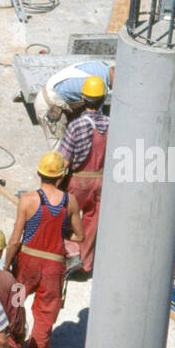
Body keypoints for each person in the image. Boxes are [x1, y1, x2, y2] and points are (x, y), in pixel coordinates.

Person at [4, 152, 83, 348]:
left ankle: (15, 344)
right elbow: (81, 235)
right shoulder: (70, 201)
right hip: (53, 268)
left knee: (16, 302)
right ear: (61, 176)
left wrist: (8, 265)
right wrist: (61, 233)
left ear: (39, 173)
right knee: (45, 318)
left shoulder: (27, 200)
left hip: (26, 264)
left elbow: (15, 240)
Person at [59, 73, 109, 277]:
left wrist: (53, 187)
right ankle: (86, 264)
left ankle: (72, 255)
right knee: (92, 223)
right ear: (103, 99)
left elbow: (64, 161)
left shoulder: (76, 126)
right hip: (101, 181)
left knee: (68, 218)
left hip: (78, 180)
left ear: (83, 98)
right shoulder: (112, 124)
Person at [34, 60, 113, 139]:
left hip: (52, 95)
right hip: (49, 105)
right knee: (59, 149)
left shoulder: (101, 67)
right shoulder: (100, 86)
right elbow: (97, 121)